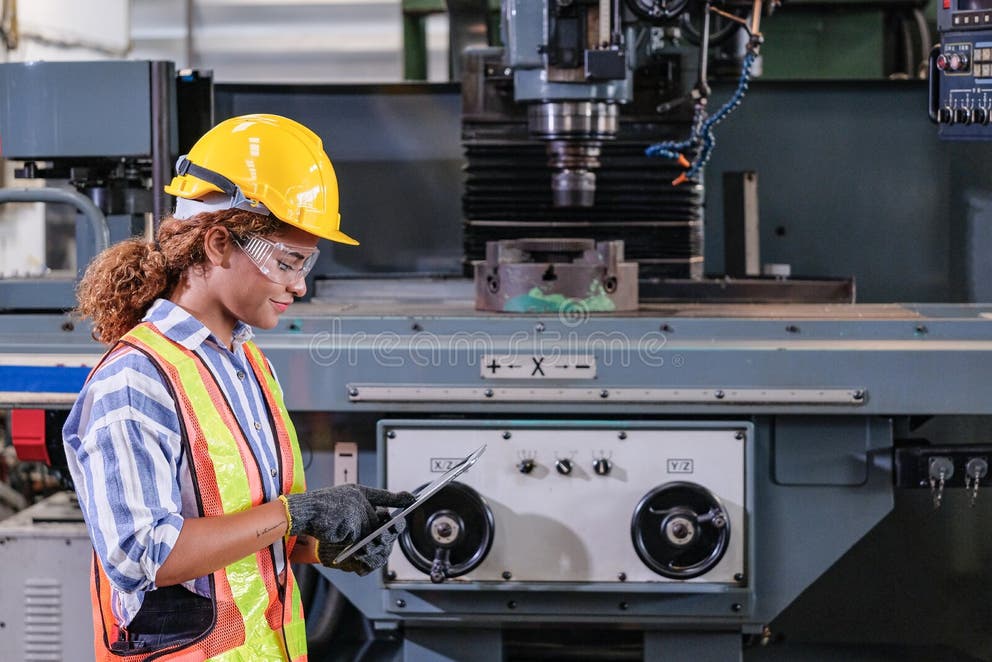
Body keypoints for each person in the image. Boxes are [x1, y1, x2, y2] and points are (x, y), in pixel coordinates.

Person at [62, 113, 414, 660]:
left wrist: (329, 542)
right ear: (220, 243)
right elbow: (141, 556)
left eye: (308, 262)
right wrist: (297, 513)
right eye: (288, 260)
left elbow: (249, 533)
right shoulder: (136, 381)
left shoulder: (248, 363)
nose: (299, 284)